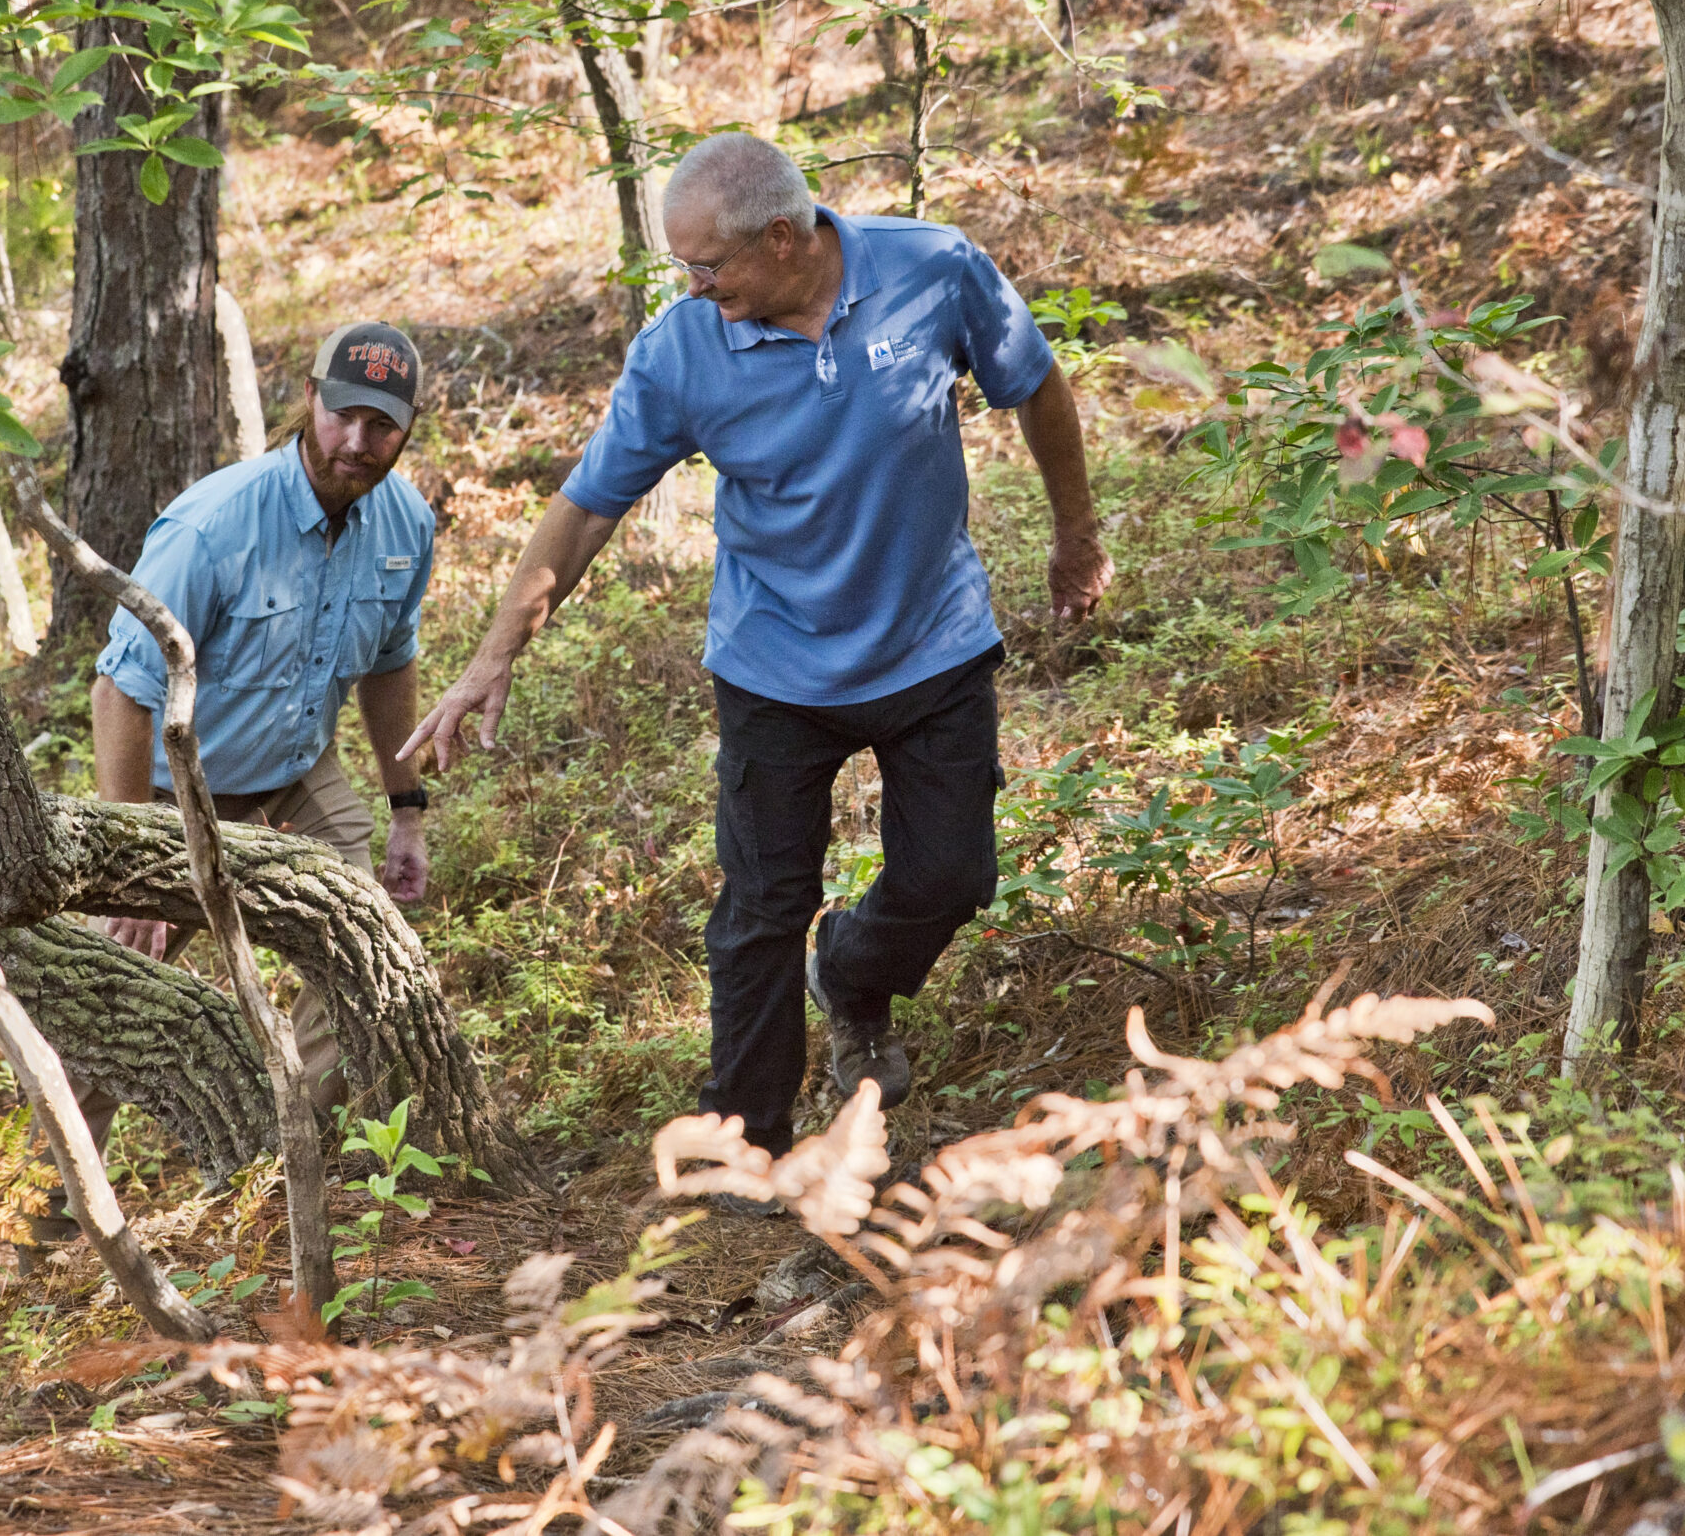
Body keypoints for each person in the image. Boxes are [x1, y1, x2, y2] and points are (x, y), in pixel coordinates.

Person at [404, 134, 1112, 1165]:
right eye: (682, 268)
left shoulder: (932, 269)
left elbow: (1036, 385)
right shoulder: (681, 349)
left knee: (952, 872)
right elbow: (587, 508)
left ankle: (856, 974)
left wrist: (1075, 533)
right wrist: (492, 656)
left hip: (933, 643)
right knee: (761, 908)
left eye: (707, 266)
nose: (692, 287)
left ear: (783, 237)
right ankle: (747, 1142)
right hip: (774, 665)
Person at [89, 321, 438, 1127]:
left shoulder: (405, 526)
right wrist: (134, 854)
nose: (357, 441)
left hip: (295, 774)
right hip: (176, 788)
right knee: (114, 999)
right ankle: (54, 1220)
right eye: (342, 413)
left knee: (364, 948)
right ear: (308, 399)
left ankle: (290, 1160)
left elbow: (390, 663)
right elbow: (121, 692)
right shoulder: (214, 526)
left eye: (382, 424)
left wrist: (407, 811)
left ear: (409, 426)